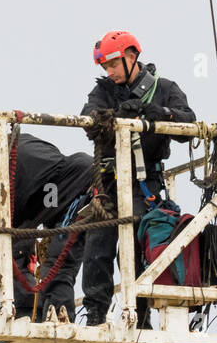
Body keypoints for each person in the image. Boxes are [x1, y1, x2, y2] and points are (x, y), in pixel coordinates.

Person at [79, 30, 196, 327]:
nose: (110, 72)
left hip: (145, 183)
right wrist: (116, 114)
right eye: (105, 67)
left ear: (131, 57)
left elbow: (188, 122)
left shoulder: (164, 89)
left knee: (134, 245)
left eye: (113, 65)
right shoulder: (104, 91)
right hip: (109, 183)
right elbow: (89, 118)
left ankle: (139, 315)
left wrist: (152, 114)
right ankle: (95, 315)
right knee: (98, 245)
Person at [0, 125, 97, 322]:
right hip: (70, 193)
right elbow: (37, 193)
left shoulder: (7, 158)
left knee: (58, 268)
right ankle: (55, 322)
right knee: (58, 267)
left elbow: (14, 217)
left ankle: (60, 328)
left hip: (79, 191)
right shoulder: (12, 148)